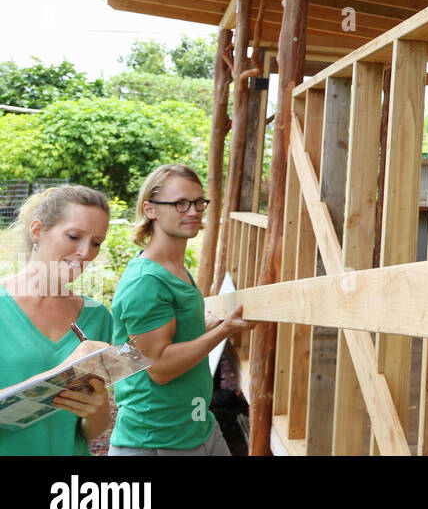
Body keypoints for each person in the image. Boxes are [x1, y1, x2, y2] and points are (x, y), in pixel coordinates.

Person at [108, 164, 251, 456]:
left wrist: (200, 326)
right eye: (180, 203)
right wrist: (224, 330)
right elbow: (160, 368)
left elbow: (170, 334)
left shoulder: (174, 267)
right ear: (150, 209)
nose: (194, 211)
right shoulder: (146, 282)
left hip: (197, 424)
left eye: (198, 202)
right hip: (158, 438)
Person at [0, 185, 114, 456]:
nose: (86, 252)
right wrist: (61, 372)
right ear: (37, 231)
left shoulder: (98, 316)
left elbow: (89, 431)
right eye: (74, 236)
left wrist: (97, 409)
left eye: (96, 242)